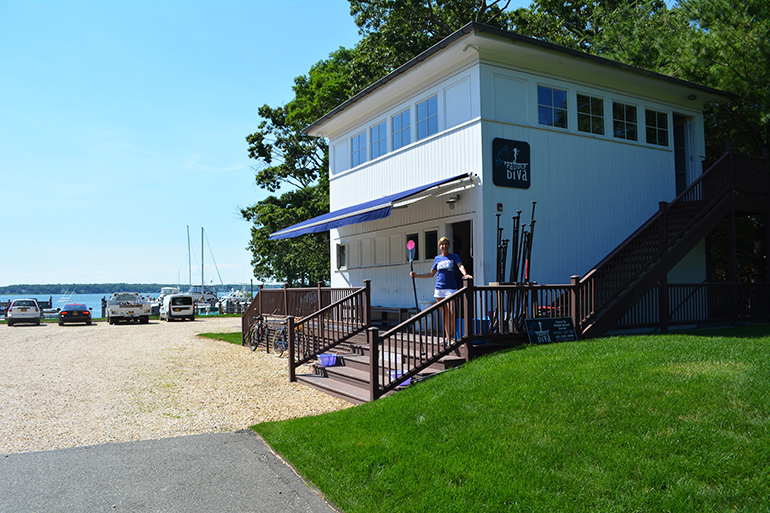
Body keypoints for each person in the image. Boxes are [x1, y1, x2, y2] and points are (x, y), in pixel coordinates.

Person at [410, 236, 472, 342]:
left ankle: (452, 336)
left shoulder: (454, 256)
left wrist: (465, 274)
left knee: (452, 312)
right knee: (445, 314)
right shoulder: (437, 259)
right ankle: (447, 337)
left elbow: (460, 265)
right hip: (439, 289)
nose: (444, 246)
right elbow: (431, 274)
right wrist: (417, 275)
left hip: (451, 289)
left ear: (449, 246)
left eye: (446, 244)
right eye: (442, 244)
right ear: (439, 246)